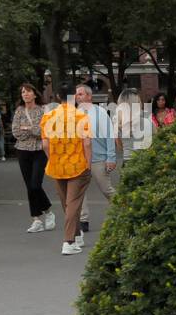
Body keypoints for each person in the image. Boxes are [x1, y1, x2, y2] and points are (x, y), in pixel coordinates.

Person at [41, 89, 92, 255]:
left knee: (67, 204)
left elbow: (45, 145)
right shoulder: (81, 117)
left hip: (57, 166)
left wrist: (51, 159)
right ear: (74, 97)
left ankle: (77, 236)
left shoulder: (48, 117)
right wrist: (88, 164)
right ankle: (68, 241)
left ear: (58, 97)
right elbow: (87, 144)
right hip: (77, 165)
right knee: (73, 203)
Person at [11, 82, 55, 232]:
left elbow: (43, 131)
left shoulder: (43, 110)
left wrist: (28, 129)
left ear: (35, 94)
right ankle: (36, 219)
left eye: (28, 92)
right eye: (23, 92)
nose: (25, 94)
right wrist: (33, 130)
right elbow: (16, 132)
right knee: (29, 186)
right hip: (22, 151)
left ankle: (48, 211)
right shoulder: (19, 111)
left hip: (39, 150)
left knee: (35, 184)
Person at [81, 84, 121, 212]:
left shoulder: (100, 112)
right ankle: (83, 220)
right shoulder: (74, 113)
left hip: (98, 159)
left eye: (80, 94)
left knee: (107, 190)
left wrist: (111, 158)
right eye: (76, 94)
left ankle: (122, 210)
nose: (77, 97)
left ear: (89, 96)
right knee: (79, 192)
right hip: (80, 160)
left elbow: (109, 135)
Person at [114, 87, 150, 159]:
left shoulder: (117, 123)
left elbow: (120, 147)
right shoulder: (146, 120)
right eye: (139, 100)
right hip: (144, 162)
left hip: (127, 163)